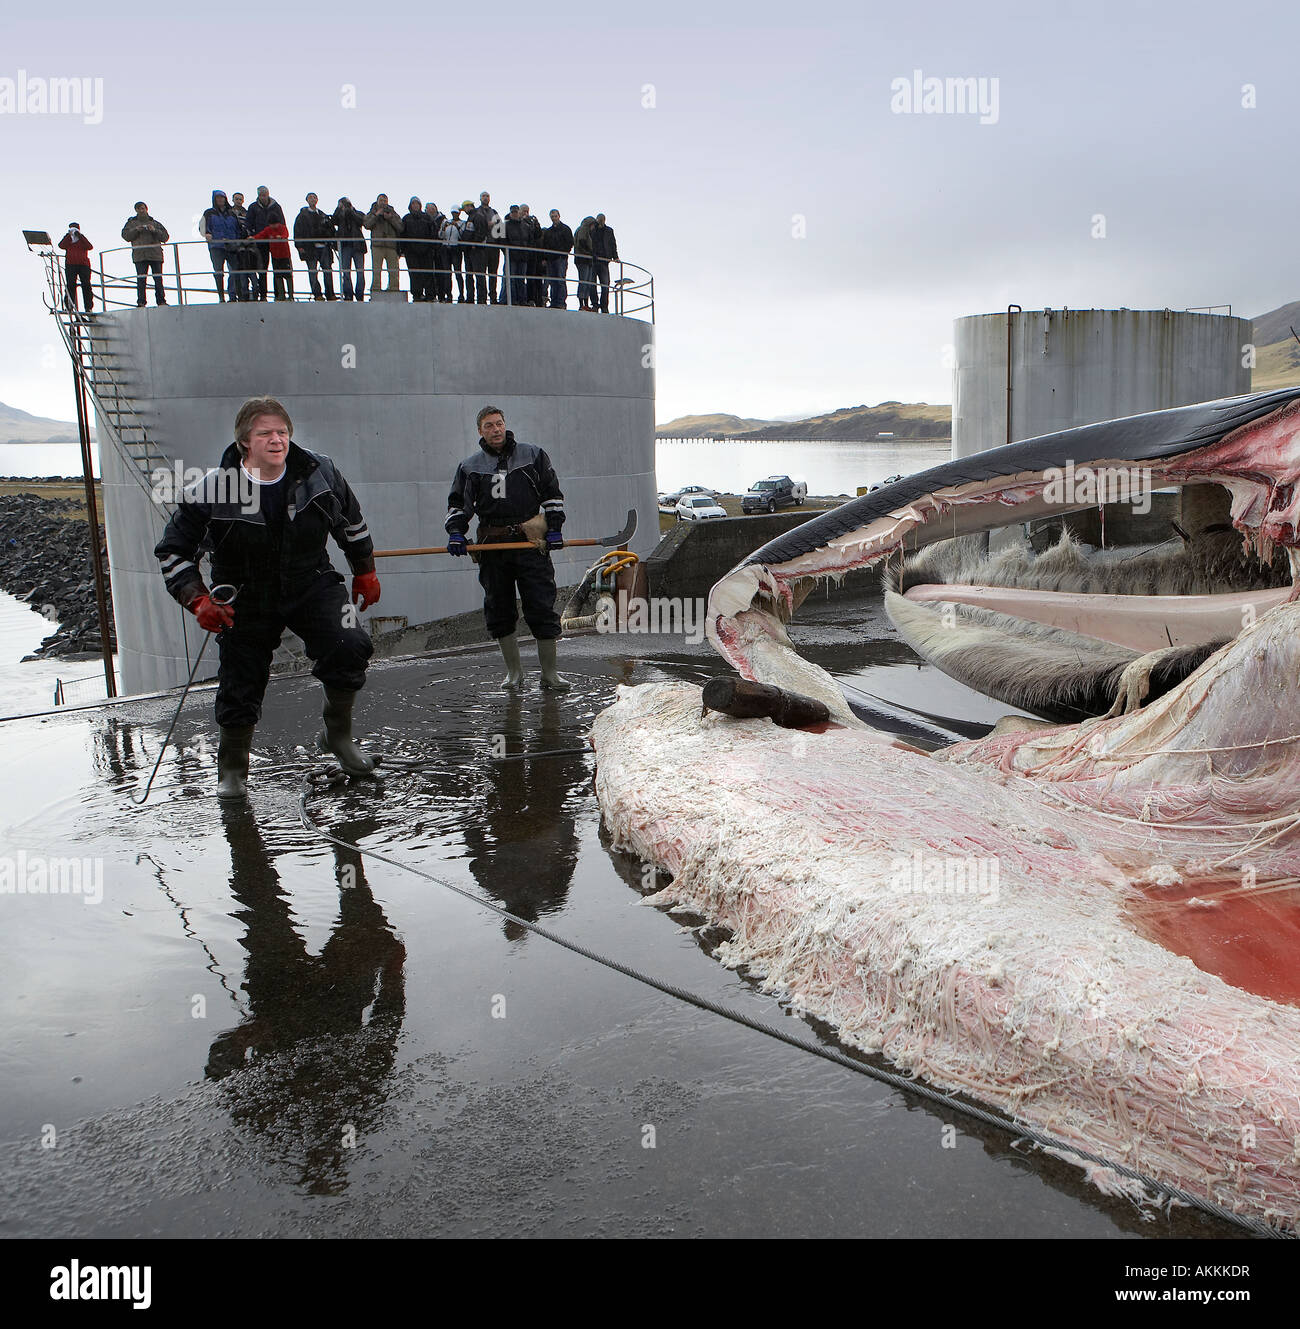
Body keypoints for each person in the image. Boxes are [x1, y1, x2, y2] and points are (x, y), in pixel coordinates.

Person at [154, 395, 381, 798]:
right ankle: (233, 769)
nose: (277, 440)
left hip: (311, 581)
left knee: (350, 643)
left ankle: (337, 737)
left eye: (282, 432)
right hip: (244, 593)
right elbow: (173, 551)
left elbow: (351, 522)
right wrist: (198, 599)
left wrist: (364, 570)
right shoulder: (211, 490)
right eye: (265, 433)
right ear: (245, 441)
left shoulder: (321, 472)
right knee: (241, 677)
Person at [445, 405, 569, 691]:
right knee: (499, 609)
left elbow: (552, 494)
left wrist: (554, 528)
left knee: (541, 605)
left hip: (530, 543)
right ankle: (514, 674)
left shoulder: (533, 456)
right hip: (492, 546)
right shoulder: (469, 467)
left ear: (505, 425)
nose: (495, 429)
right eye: (489, 425)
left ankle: (549, 674)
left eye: (499, 423)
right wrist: (456, 533)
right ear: (480, 431)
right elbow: (457, 504)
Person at [120, 202, 169, 307]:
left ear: (146, 209)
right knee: (141, 280)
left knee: (158, 280)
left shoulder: (155, 223)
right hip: (140, 256)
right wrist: (136, 230)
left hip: (155, 255)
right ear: (136, 210)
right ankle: (141, 302)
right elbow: (126, 236)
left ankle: (161, 301)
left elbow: (165, 237)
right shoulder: (131, 223)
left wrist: (154, 230)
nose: (141, 210)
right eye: (138, 209)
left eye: (142, 208)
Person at [294, 193, 337, 300]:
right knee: (313, 272)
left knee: (327, 270)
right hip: (310, 248)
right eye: (310, 197)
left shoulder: (322, 215)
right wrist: (299, 246)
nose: (312, 199)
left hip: (324, 247)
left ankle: (330, 294)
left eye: (314, 197)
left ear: (317, 199)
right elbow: (297, 231)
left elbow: (331, 230)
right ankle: (317, 294)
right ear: (307, 200)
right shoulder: (302, 216)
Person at [246, 186, 285, 301]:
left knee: (278, 267)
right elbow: (249, 223)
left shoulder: (276, 207)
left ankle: (279, 295)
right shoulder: (253, 207)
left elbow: (282, 223)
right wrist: (253, 235)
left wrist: (280, 235)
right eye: (261, 194)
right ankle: (263, 295)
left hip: (275, 241)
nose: (263, 196)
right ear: (258, 195)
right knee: (262, 268)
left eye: (265, 194)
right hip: (261, 242)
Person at [202, 190, 240, 302]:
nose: (220, 200)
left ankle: (233, 296)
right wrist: (207, 234)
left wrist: (236, 241)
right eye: (218, 198)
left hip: (231, 246)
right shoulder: (209, 213)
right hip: (216, 246)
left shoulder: (232, 213)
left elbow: (238, 229)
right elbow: (202, 227)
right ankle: (221, 297)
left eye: (222, 197)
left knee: (235, 271)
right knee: (218, 271)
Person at [364, 193, 402, 295]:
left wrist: (390, 218)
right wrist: (377, 215)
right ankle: (376, 289)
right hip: (377, 245)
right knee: (376, 270)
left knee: (394, 270)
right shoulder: (372, 212)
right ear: (377, 201)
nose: (383, 203)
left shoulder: (393, 212)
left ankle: (394, 289)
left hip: (391, 246)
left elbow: (400, 227)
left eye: (385, 201)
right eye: (381, 200)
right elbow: (367, 224)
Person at [400, 196, 436, 301]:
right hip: (411, 251)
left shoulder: (427, 217)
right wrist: (402, 249)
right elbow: (402, 234)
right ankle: (417, 294)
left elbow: (433, 232)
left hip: (426, 250)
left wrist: (431, 247)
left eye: (417, 204)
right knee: (414, 274)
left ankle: (430, 295)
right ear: (410, 206)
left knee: (428, 273)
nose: (415, 205)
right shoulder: (406, 218)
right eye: (413, 204)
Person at [333, 196, 367, 301]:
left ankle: (360, 294)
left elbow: (361, 221)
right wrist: (339, 210)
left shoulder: (358, 213)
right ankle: (348, 294)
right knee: (346, 272)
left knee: (360, 272)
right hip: (345, 246)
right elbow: (334, 221)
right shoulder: (339, 215)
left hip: (357, 246)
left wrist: (350, 211)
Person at [251, 217, 293, 300]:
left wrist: (281, 237)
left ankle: (291, 295)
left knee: (288, 275)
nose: (273, 226)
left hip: (285, 256)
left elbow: (285, 235)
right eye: (272, 224)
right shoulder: (268, 229)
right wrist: (253, 238)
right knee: (278, 276)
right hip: (275, 256)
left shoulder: (283, 228)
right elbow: (261, 235)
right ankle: (281, 295)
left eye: (275, 224)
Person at [58, 223, 94, 312]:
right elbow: (61, 245)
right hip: (71, 264)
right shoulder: (68, 238)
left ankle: (88, 307)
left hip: (83, 265)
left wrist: (80, 236)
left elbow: (89, 247)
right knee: (70, 285)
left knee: (86, 285)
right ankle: (69, 305)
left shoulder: (82, 238)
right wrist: (69, 235)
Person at [540, 208, 572, 309]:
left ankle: (561, 302)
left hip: (561, 258)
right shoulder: (548, 232)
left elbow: (570, 242)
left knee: (560, 280)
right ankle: (554, 302)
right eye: (552, 216)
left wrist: (563, 253)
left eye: (555, 216)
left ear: (559, 216)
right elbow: (545, 245)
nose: (554, 218)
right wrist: (545, 258)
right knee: (553, 281)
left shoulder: (565, 229)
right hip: (550, 259)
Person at [474, 191, 502, 304]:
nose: (485, 198)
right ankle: (481, 298)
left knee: (493, 274)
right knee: (481, 273)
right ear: (480, 198)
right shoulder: (477, 212)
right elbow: (475, 226)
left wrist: (500, 245)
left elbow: (500, 227)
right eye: (483, 196)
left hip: (493, 246)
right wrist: (487, 224)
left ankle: (493, 298)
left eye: (487, 196)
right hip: (481, 247)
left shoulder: (494, 212)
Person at [591, 212, 620, 313]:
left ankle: (604, 306)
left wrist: (615, 257)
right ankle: (595, 304)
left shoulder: (609, 231)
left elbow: (612, 244)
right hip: (594, 260)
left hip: (604, 261)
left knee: (605, 285)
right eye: (599, 219)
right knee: (592, 284)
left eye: (602, 219)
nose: (600, 221)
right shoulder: (592, 230)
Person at [458, 198, 486, 304]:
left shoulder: (477, 216)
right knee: (470, 275)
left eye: (465, 208)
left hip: (476, 250)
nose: (464, 210)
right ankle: (471, 298)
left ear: (469, 206)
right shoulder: (472, 217)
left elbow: (481, 232)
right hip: (470, 249)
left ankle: (481, 298)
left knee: (478, 275)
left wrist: (474, 243)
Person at [425, 201, 452, 302]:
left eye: (433, 208)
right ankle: (430, 295)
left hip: (441, 250)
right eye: (429, 208)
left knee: (441, 274)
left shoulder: (443, 220)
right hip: (427, 250)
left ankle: (442, 295)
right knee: (428, 274)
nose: (431, 210)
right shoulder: (424, 219)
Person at [520, 205, 545, 306]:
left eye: (527, 211)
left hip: (533, 254)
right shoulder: (519, 222)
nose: (526, 213)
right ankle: (521, 299)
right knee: (519, 277)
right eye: (524, 211)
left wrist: (537, 224)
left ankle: (532, 299)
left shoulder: (532, 222)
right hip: (522, 254)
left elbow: (538, 235)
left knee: (532, 278)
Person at [503, 204, 528, 306]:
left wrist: (527, 252)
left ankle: (522, 300)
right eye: (512, 212)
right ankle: (512, 300)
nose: (514, 214)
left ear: (518, 212)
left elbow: (530, 239)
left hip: (523, 257)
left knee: (521, 279)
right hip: (511, 256)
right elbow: (502, 241)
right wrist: (507, 252)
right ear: (510, 213)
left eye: (516, 212)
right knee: (511, 279)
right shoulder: (506, 225)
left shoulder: (525, 226)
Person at [441, 207, 467, 302]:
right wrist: (444, 228)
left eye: (456, 213)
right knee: (447, 274)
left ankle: (461, 295)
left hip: (456, 248)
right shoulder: (446, 222)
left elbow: (462, 236)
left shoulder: (462, 223)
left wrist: (457, 227)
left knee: (458, 272)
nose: (454, 214)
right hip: (445, 249)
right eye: (453, 213)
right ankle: (449, 295)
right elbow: (441, 235)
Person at [573, 215, 596, 312]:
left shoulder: (583, 230)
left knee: (587, 282)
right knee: (584, 281)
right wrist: (589, 253)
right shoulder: (583, 229)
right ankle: (582, 304)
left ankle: (585, 304)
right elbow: (581, 242)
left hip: (585, 259)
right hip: (583, 259)